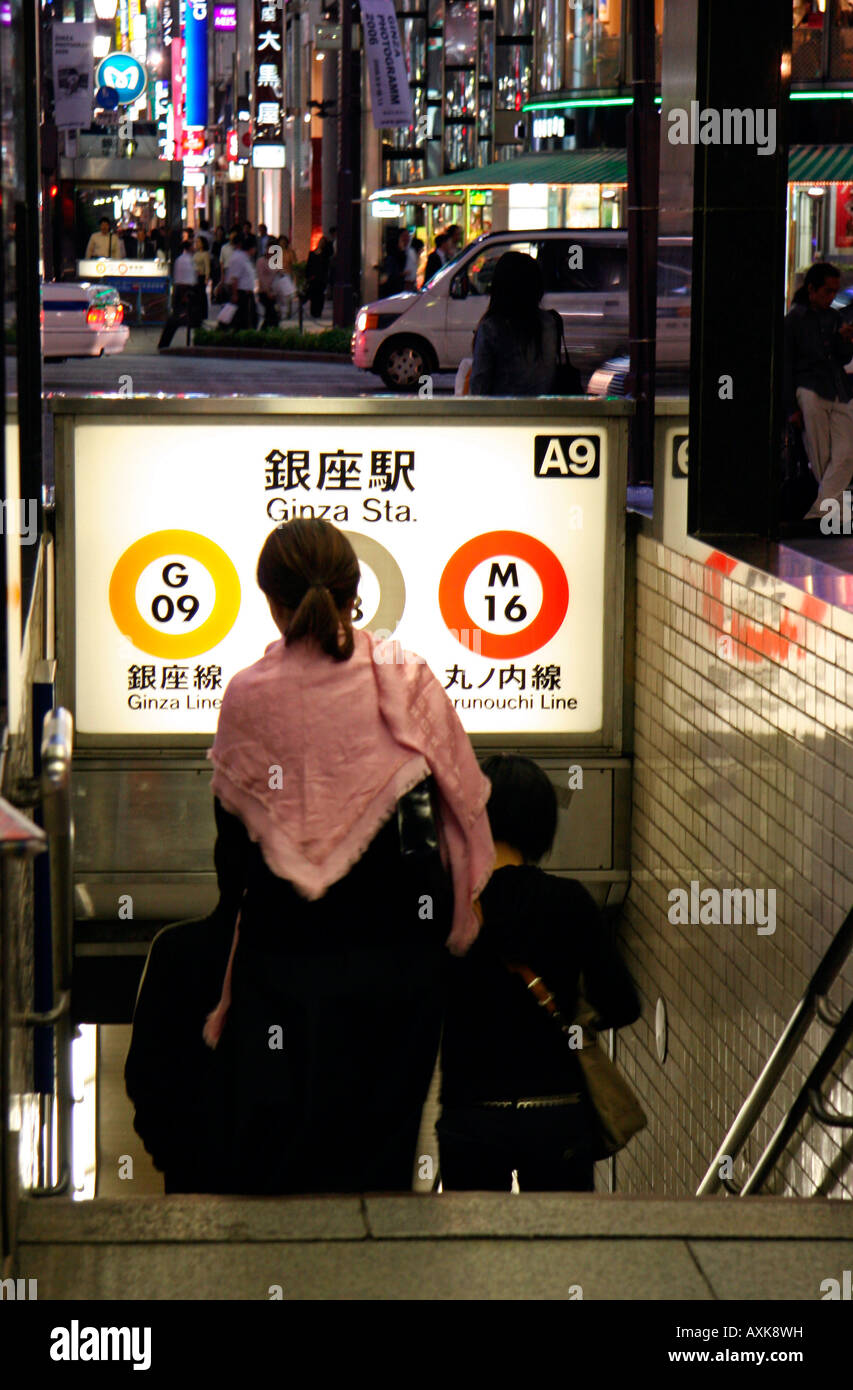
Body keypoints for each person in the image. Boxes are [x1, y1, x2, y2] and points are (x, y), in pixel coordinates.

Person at [198, 519, 494, 1193]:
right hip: (399, 975)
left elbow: (232, 857)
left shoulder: (247, 695)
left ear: (269, 599)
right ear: (353, 591)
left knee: (282, 1167)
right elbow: (458, 809)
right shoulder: (406, 677)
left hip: (282, 972)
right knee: (380, 1167)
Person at [438, 754, 641, 1193]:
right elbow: (623, 1004)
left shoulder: (450, 907)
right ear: (542, 825)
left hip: (473, 1111)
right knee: (565, 1250)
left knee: (469, 1253)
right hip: (557, 1110)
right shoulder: (571, 901)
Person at [783, 261, 853, 525]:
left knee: (846, 451)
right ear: (811, 290)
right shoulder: (795, 321)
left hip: (836, 388)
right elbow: (787, 366)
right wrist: (790, 408)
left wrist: (844, 341)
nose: (832, 297)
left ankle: (819, 511)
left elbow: (841, 357)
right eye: (827, 291)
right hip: (811, 388)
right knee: (822, 453)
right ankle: (829, 509)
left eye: (835, 292)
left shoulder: (834, 318)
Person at [469, 250, 561, 396]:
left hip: (502, 415)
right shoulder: (550, 323)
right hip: (542, 414)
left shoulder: (492, 328)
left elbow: (479, 388)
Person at [157, 241, 200, 350]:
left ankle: (165, 342)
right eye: (193, 246)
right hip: (184, 291)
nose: (194, 248)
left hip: (183, 290)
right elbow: (183, 280)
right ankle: (164, 343)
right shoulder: (184, 260)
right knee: (176, 319)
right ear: (189, 248)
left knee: (178, 319)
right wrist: (184, 294)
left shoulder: (185, 260)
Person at [223, 234, 258, 329]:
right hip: (241, 292)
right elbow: (234, 278)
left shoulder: (245, 258)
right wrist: (235, 294)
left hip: (247, 292)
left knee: (249, 317)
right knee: (241, 318)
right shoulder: (239, 258)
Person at [256, 241, 282, 329]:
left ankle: (268, 331)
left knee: (271, 314)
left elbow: (278, 277)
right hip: (264, 292)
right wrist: (267, 292)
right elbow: (261, 278)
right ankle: (267, 331)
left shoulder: (275, 262)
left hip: (273, 292)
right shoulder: (261, 261)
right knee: (271, 313)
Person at [304, 235, 331, 317]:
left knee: (320, 295)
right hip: (313, 278)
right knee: (313, 295)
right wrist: (308, 276)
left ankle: (318, 311)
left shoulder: (326, 255)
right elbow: (309, 266)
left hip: (321, 278)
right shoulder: (312, 253)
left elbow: (326, 266)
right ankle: (313, 311)